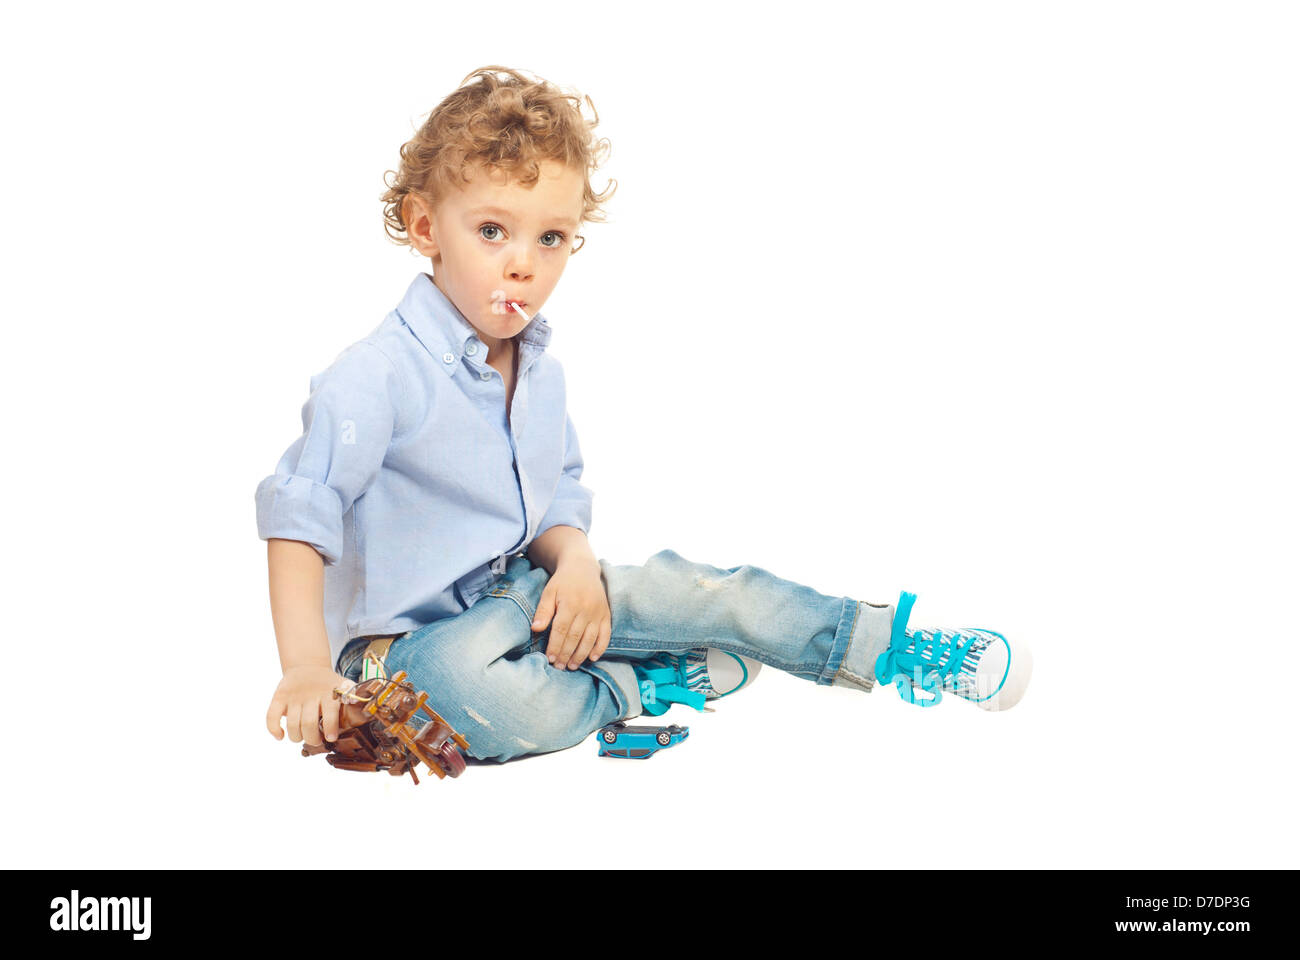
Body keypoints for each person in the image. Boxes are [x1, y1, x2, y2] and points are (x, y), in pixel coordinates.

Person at [257, 65, 1032, 764]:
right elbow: (301, 515)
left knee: (701, 591)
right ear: (427, 227)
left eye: (551, 238)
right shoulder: (377, 374)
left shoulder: (540, 373)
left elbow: (550, 503)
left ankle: (888, 647)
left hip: (524, 596)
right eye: (492, 231)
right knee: (470, 687)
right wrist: (305, 668)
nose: (523, 264)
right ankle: (640, 684)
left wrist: (576, 565)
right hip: (408, 652)